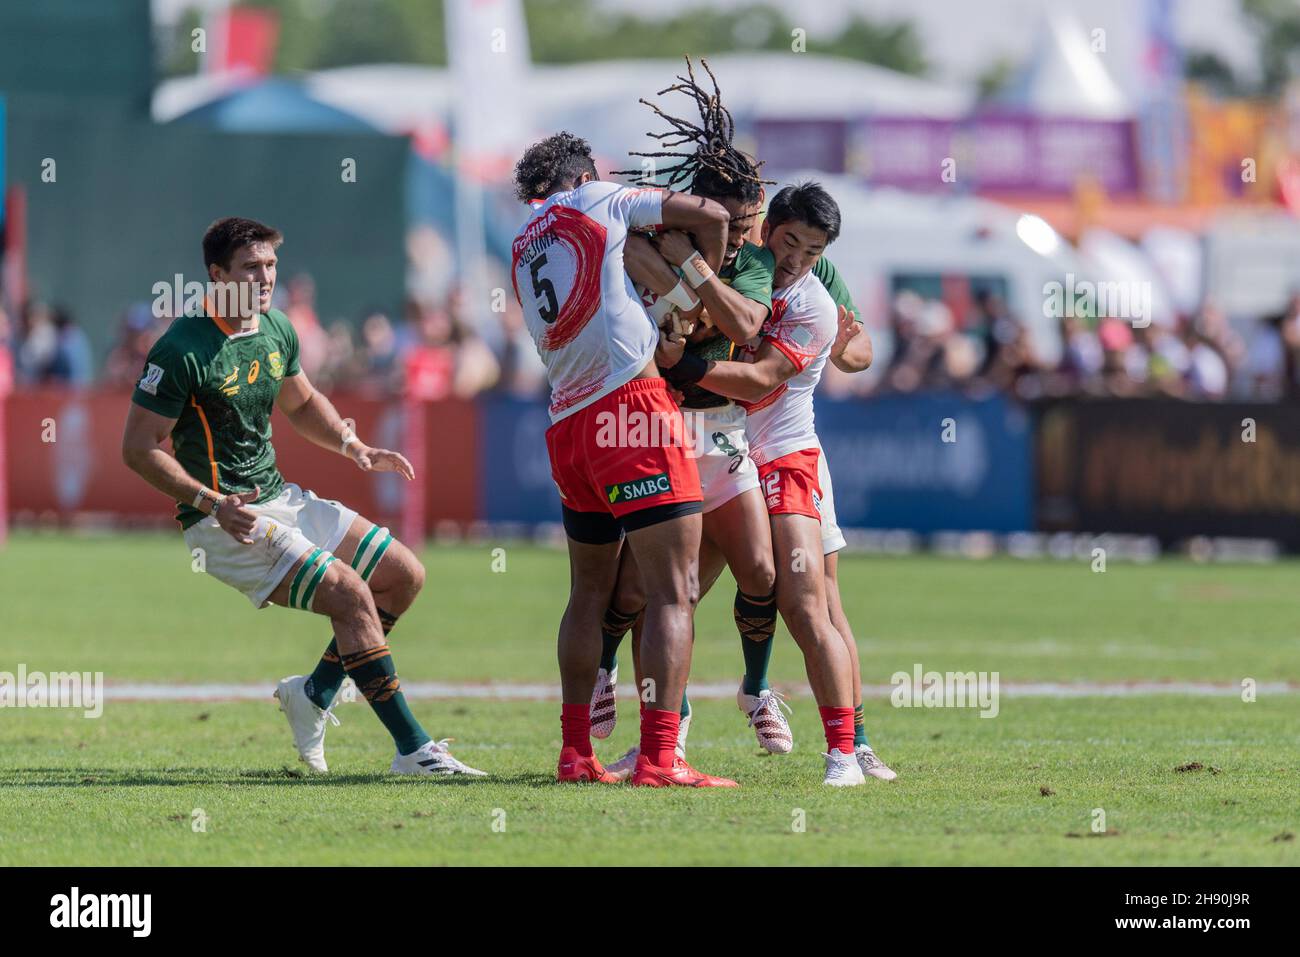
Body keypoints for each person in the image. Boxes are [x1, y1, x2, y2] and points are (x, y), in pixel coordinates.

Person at [121, 216, 485, 778]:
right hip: (221, 522)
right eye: (251, 267)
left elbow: (301, 401)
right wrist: (212, 503)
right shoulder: (180, 348)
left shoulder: (276, 328)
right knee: (350, 594)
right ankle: (414, 749)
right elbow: (139, 448)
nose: (265, 277)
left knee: (403, 576)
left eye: (270, 265)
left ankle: (313, 693)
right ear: (216, 274)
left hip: (279, 498)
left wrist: (351, 443)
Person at [511, 131, 736, 787]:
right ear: (582, 175)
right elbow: (714, 216)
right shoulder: (597, 197)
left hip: (568, 422)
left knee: (588, 592)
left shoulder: (523, 242)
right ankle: (660, 759)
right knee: (673, 590)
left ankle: (575, 752)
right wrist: (696, 305)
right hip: (631, 407)